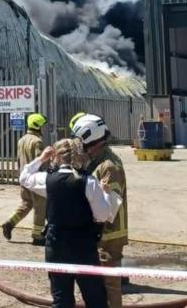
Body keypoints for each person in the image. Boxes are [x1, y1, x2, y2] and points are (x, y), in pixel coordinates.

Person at [21, 138, 121, 308]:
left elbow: (24, 177)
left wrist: (41, 159)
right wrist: (104, 194)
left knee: (62, 300)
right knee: (95, 298)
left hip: (56, 246)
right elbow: (103, 215)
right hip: (83, 247)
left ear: (57, 157)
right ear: (79, 155)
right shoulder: (88, 181)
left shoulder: (48, 180)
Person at [72, 113, 129, 308]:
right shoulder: (96, 160)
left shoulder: (109, 166)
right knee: (95, 286)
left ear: (92, 140)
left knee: (109, 286)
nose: (79, 146)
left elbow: (110, 207)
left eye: (81, 142)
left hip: (108, 237)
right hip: (97, 234)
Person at [3, 113, 48, 245]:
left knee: (26, 204)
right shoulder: (37, 142)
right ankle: (37, 235)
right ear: (38, 127)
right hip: (35, 181)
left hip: (24, 178)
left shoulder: (21, 140)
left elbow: (18, 159)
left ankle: (10, 223)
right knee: (40, 207)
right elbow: (41, 160)